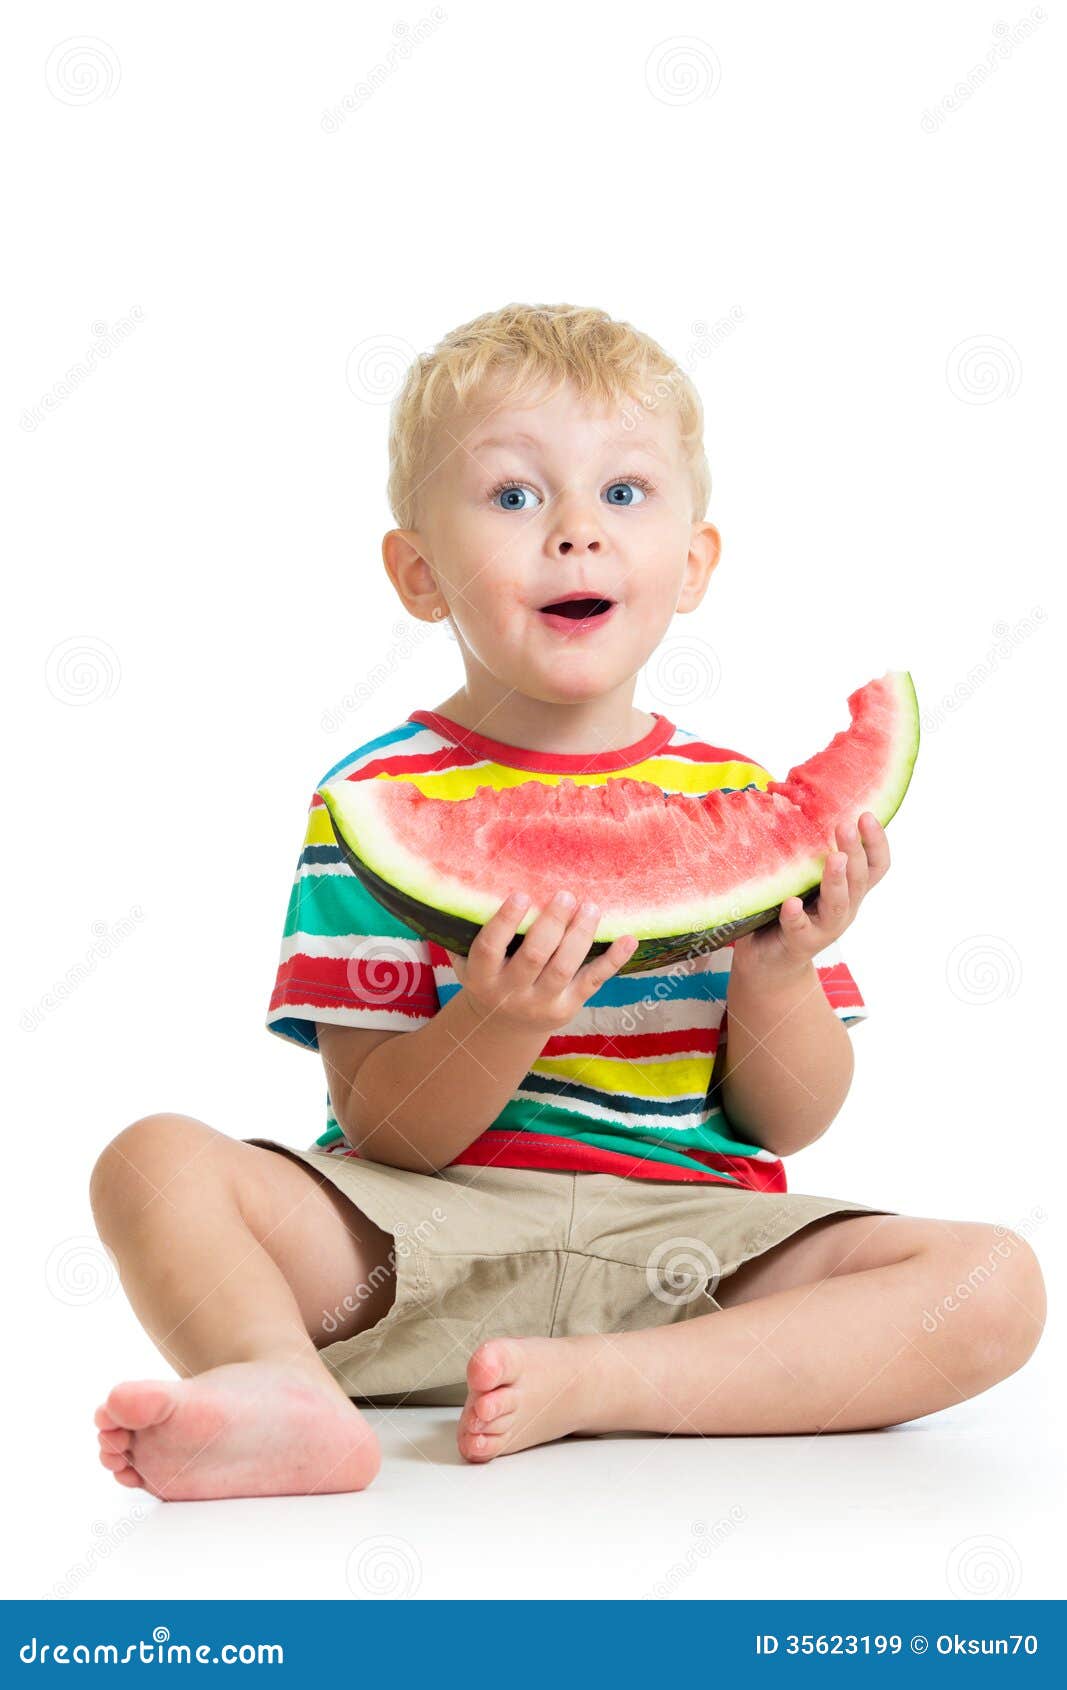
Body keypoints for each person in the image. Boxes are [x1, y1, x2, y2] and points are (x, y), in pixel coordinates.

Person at [89, 303, 1045, 1500]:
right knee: (151, 1164)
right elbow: (385, 1132)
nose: (577, 535)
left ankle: (608, 1384)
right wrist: (497, 1018)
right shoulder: (371, 805)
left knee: (992, 1281)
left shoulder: (742, 802)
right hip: (419, 1247)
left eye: (625, 494)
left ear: (692, 564)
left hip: (687, 1259)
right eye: (512, 497)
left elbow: (790, 1120)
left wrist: (777, 973)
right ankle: (282, 1381)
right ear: (418, 572)